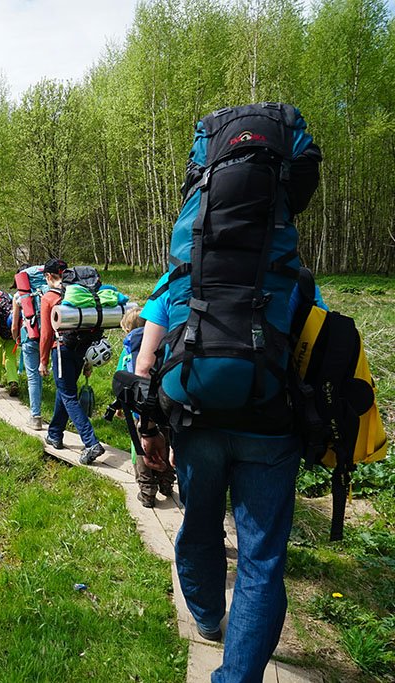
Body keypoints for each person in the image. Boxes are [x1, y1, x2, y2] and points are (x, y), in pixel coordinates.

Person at [136, 102, 322, 682]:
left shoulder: (186, 272)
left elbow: (148, 352)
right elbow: (308, 351)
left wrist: (148, 426)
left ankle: (209, 617)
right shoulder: (289, 275)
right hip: (269, 425)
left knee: (198, 526)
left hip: (198, 417)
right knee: (263, 560)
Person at [40, 259, 104, 465]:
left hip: (61, 349)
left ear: (49, 276)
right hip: (82, 347)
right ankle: (55, 433)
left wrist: (42, 361)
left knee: (68, 394)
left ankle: (91, 442)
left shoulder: (49, 297)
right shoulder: (81, 293)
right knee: (65, 390)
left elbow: (46, 334)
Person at [116, 306, 174, 507]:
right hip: (165, 406)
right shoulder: (162, 344)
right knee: (166, 442)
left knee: (141, 449)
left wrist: (120, 407)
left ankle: (148, 491)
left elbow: (121, 381)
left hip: (139, 411)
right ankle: (167, 483)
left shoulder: (127, 351)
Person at [11, 265, 48, 431]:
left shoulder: (20, 295)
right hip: (49, 339)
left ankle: (36, 416)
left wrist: (16, 338)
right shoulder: (50, 291)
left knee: (33, 377)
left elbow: (14, 325)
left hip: (29, 337)